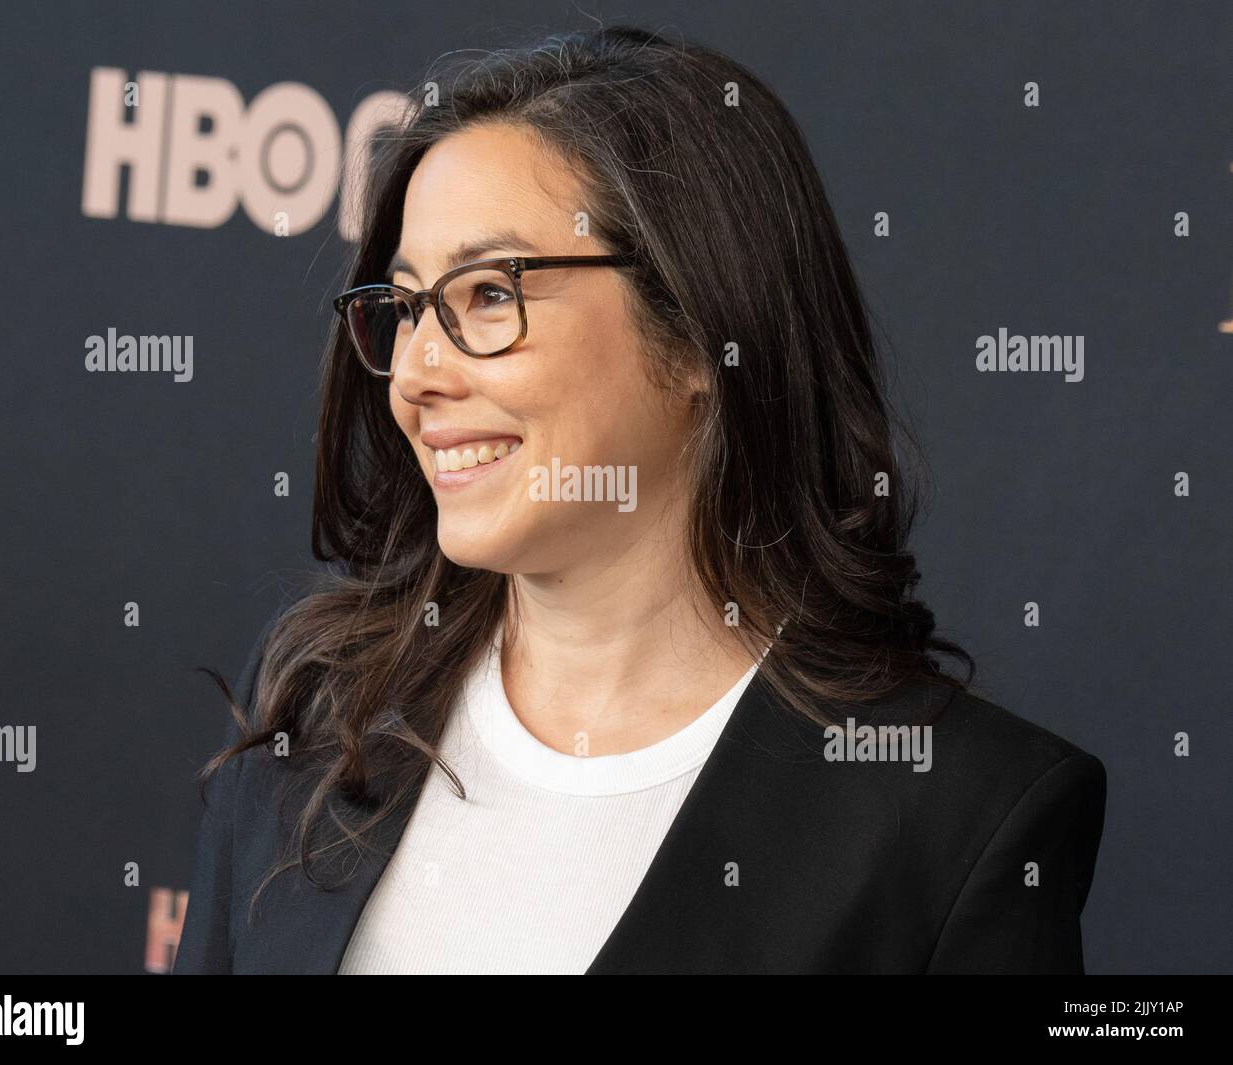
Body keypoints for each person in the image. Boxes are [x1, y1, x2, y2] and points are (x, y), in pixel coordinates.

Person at [173, 24, 1106, 975]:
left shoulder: (956, 815)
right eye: (405, 306)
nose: (415, 373)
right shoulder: (327, 698)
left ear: (703, 330)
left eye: (490, 294)